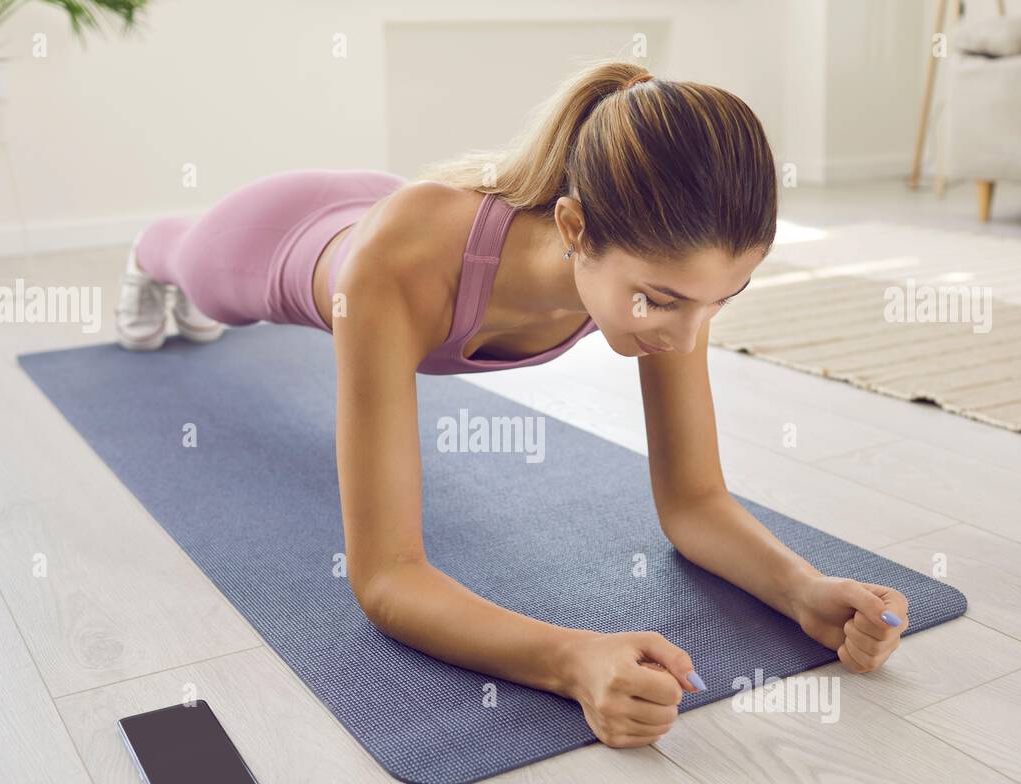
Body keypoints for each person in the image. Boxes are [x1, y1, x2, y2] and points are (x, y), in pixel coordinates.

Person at [115, 59, 909, 749]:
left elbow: (694, 503)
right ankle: (147, 256)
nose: (688, 333)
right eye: (661, 302)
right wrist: (572, 659)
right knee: (188, 266)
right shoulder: (395, 271)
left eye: (719, 301)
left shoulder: (668, 283)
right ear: (573, 226)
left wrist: (801, 588)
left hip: (393, 204)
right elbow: (387, 578)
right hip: (273, 239)